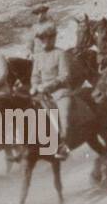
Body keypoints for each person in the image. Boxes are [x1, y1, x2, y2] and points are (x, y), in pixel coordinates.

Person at [29, 22, 74, 161]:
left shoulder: (60, 53)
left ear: (53, 38)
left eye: (48, 38)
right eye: (42, 39)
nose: (45, 41)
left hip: (60, 92)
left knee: (63, 116)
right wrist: (35, 86)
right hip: (42, 93)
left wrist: (48, 86)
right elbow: (35, 76)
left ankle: (63, 145)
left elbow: (64, 75)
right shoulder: (38, 57)